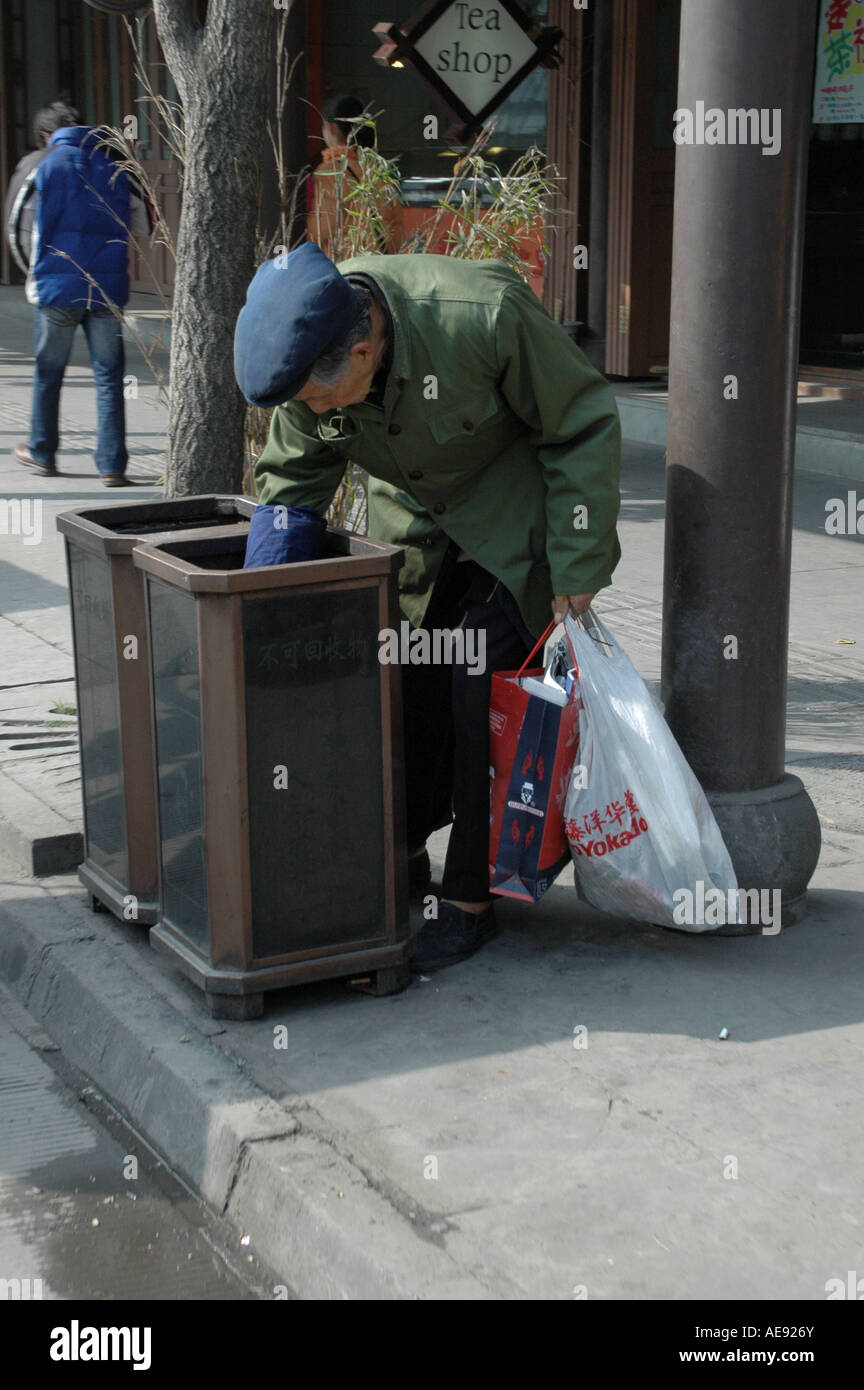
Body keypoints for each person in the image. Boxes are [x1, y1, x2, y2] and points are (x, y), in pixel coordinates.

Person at [234, 243, 621, 972]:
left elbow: (581, 422)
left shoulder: (482, 316)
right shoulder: (311, 355)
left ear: (361, 350)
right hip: (417, 530)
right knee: (406, 685)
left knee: (481, 698)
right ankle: (403, 852)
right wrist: (266, 604)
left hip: (513, 523)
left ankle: (471, 901)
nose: (312, 412)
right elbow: (292, 482)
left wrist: (580, 559)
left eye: (320, 399)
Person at [6, 102, 153, 484]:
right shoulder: (116, 165)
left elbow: (15, 226)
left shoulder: (42, 164)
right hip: (106, 289)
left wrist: (34, 274)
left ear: (45, 135)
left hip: (56, 288)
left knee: (49, 372)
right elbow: (145, 222)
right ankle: (111, 465)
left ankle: (42, 451)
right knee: (110, 376)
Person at [307, 94, 396, 258]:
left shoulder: (330, 171)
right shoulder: (380, 171)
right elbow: (395, 229)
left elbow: (323, 228)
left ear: (331, 128)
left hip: (347, 266)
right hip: (379, 268)